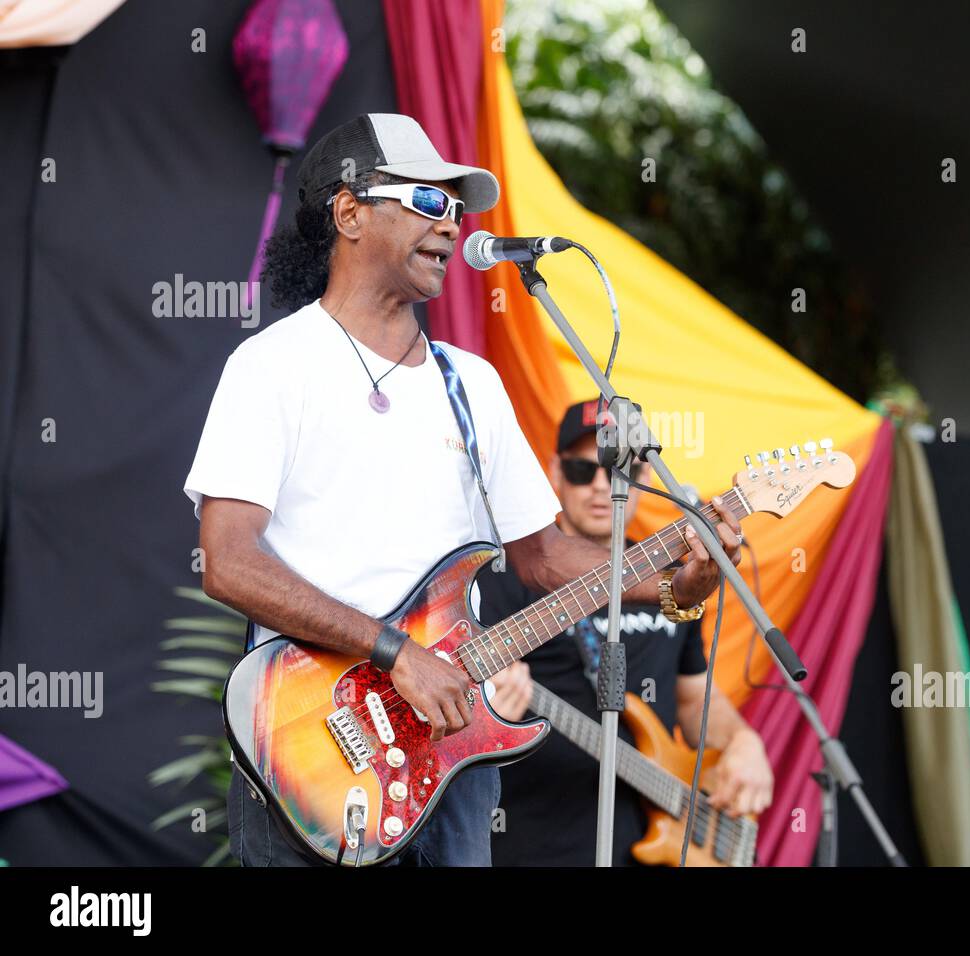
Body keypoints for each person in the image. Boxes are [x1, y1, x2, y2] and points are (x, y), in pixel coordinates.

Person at [182, 114, 740, 866]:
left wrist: (675, 578)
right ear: (349, 212)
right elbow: (229, 562)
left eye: (457, 209)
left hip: (451, 753)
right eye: (428, 202)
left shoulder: (470, 384)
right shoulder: (273, 366)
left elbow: (541, 557)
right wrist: (394, 654)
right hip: (312, 749)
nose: (451, 225)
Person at [480, 399, 773, 866]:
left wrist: (743, 741)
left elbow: (695, 700)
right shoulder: (507, 572)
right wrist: (486, 710)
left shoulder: (672, 578)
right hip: (532, 842)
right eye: (582, 470)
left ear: (647, 480)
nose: (601, 486)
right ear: (554, 472)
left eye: (620, 472)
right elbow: (455, 690)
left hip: (648, 845)